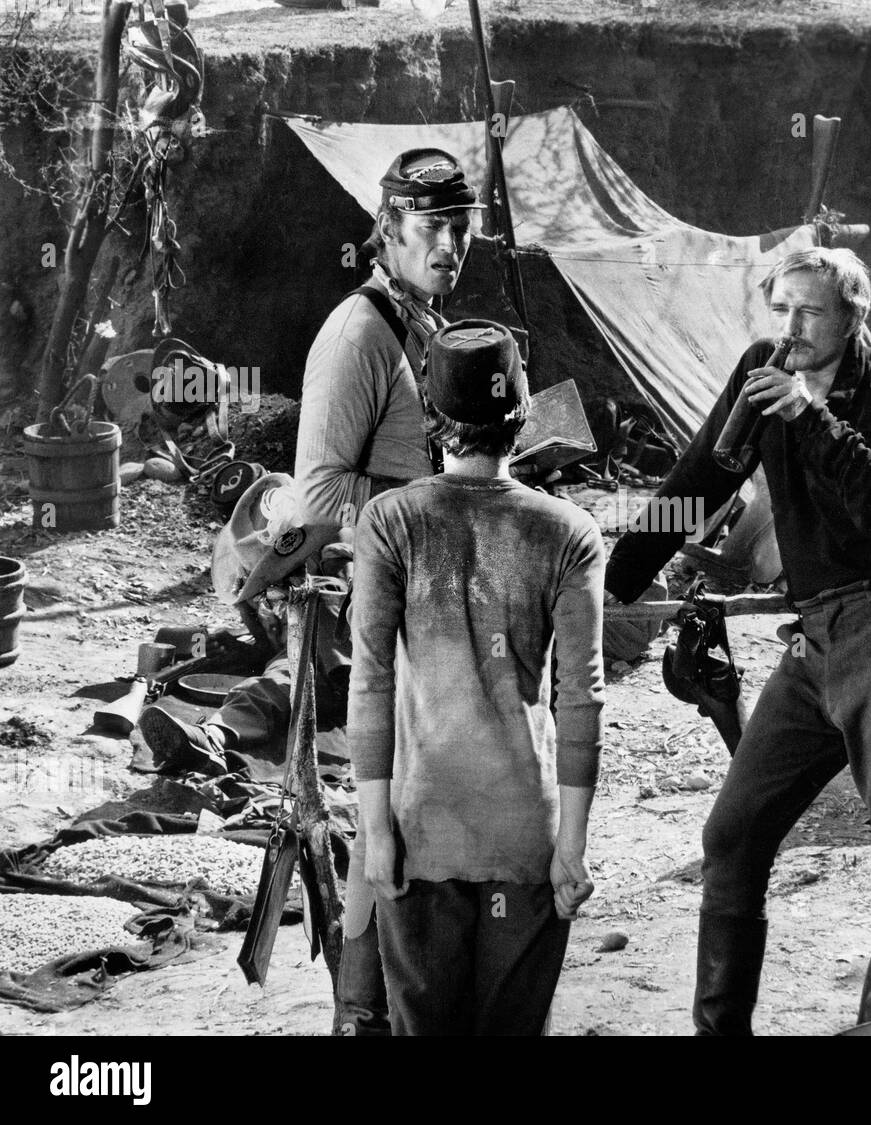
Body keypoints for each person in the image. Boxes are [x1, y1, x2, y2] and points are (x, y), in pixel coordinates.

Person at [606, 246, 871, 1033]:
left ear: (853, 315)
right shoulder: (761, 371)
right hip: (817, 639)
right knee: (731, 835)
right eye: (782, 309)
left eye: (809, 311)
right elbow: (699, 480)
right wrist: (615, 579)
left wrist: (810, 415)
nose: (790, 328)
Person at [349, 320, 604, 1035]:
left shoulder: (390, 522)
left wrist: (375, 830)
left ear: (433, 417)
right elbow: (581, 696)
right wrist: (572, 847)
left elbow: (369, 682)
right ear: (522, 414)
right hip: (527, 829)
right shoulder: (568, 531)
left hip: (421, 823)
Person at [292, 147, 484, 1036]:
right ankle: (362, 1011)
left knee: (424, 806)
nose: (451, 242)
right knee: (390, 807)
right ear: (391, 229)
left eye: (462, 223)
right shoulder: (360, 332)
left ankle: (399, 1004)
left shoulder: (424, 324)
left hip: (432, 602)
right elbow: (320, 496)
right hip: (381, 607)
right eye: (432, 226)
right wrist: (432, 502)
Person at [137, 474, 345, 778]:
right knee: (229, 654)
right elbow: (269, 643)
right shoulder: (267, 594)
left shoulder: (337, 562)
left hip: (345, 668)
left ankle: (212, 739)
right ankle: (209, 739)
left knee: (267, 687)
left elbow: (335, 651)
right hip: (301, 657)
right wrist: (242, 649)